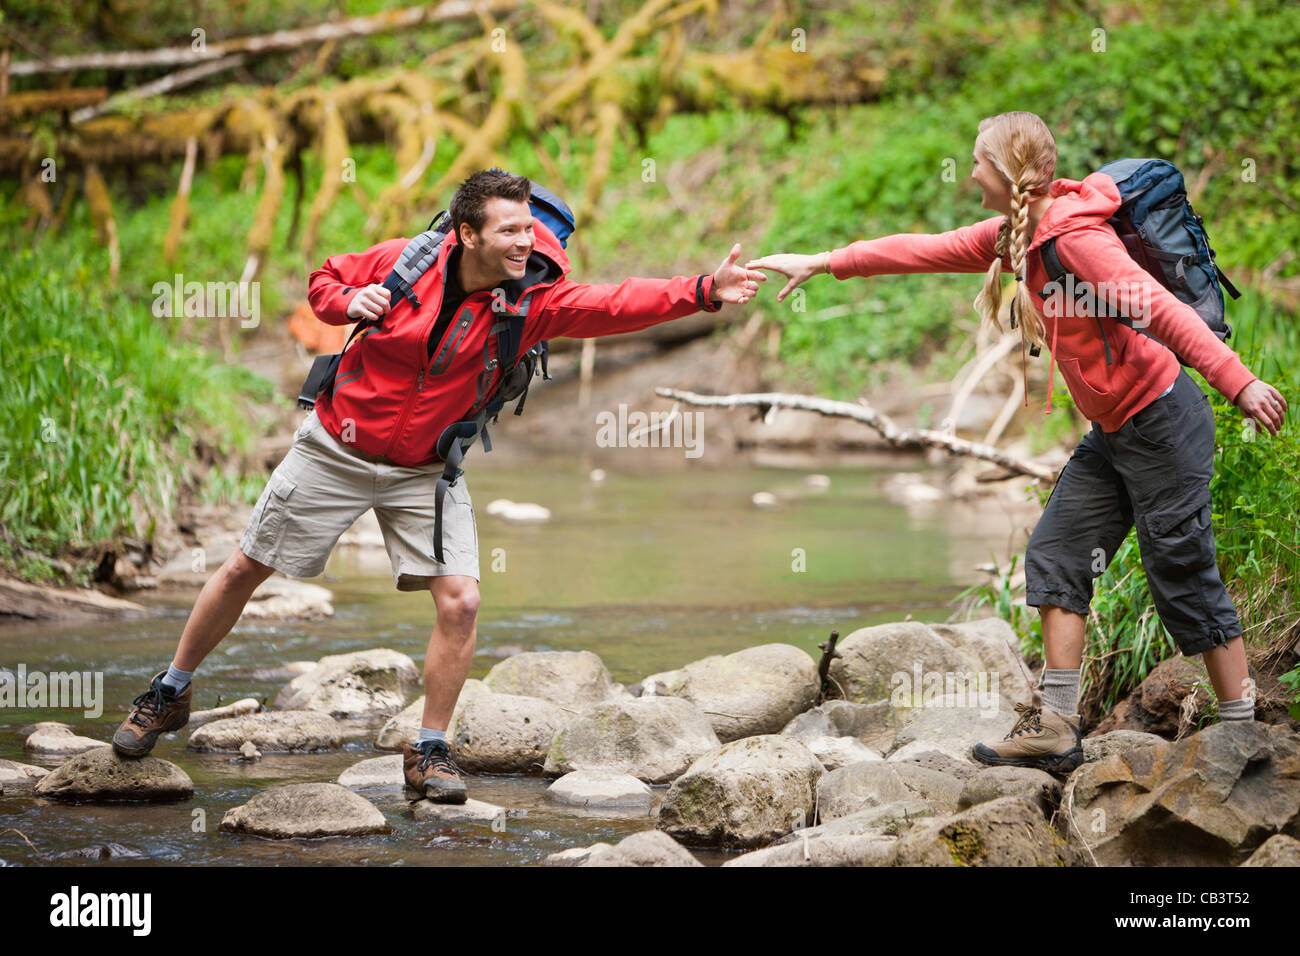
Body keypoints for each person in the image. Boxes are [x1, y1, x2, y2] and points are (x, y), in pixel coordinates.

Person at [113, 168, 764, 801]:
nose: (527, 241)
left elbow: (617, 304)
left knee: (462, 602)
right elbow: (323, 279)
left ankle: (427, 750)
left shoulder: (529, 302)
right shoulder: (407, 260)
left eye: (532, 229)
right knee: (244, 567)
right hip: (338, 445)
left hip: (427, 468)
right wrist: (346, 301)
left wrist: (706, 288)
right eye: (510, 229)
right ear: (466, 233)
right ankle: (169, 692)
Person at [747, 111, 1288, 772]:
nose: (970, 171)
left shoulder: (1077, 242)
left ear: (1008, 174)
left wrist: (1240, 382)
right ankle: (1056, 727)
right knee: (1058, 554)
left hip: (1162, 422)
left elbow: (1159, 308)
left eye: (978, 161)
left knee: (1180, 570)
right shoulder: (1016, 238)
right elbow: (922, 249)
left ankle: (1243, 729)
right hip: (1115, 432)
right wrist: (824, 262)